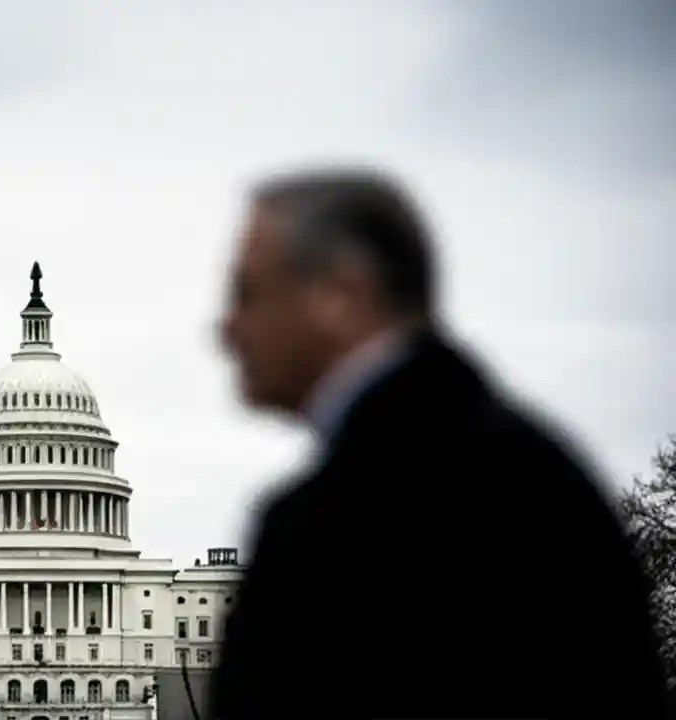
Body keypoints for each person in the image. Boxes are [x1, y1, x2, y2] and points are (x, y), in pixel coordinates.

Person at [212, 168, 670, 718]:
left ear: (340, 294)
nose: (226, 327)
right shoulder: (532, 466)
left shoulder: (344, 517)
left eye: (247, 293)